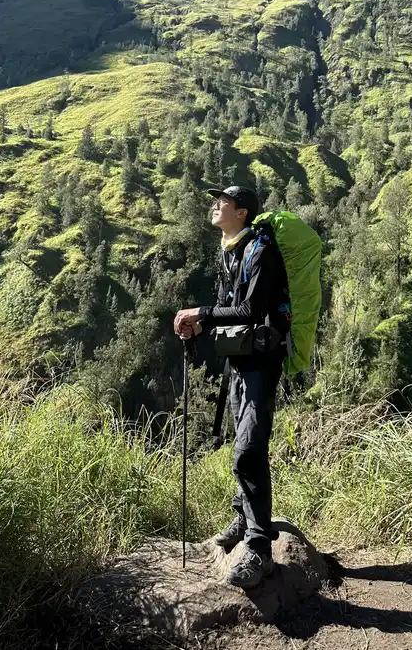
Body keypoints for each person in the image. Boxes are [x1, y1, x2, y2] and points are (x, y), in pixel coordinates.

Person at [173, 185, 288, 589]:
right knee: (242, 441)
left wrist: (200, 312)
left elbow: (251, 309)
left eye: (223, 201)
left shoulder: (261, 251)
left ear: (242, 212)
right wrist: (200, 326)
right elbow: (228, 306)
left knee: (249, 448)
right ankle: (244, 516)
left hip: (261, 362)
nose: (215, 205)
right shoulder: (230, 250)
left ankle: (259, 548)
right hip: (240, 359)